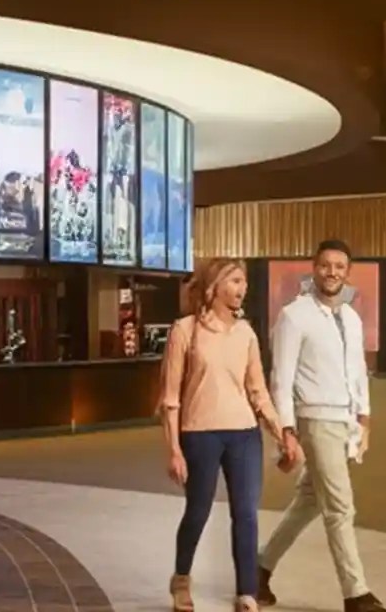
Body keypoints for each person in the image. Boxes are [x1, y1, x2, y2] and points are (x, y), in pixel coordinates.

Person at [258, 239, 386, 612]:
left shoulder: (351, 318)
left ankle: (259, 569)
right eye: (325, 265)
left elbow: (358, 373)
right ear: (313, 268)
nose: (332, 272)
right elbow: (280, 379)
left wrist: (365, 418)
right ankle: (356, 595)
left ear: (347, 272)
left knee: (309, 501)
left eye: (339, 266)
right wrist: (286, 431)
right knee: (340, 506)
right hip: (315, 420)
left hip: (346, 422)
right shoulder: (294, 315)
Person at [159, 259, 287, 612]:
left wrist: (281, 432)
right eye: (234, 281)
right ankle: (181, 579)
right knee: (197, 511)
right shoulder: (184, 331)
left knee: (246, 513)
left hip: (244, 434)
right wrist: (174, 450)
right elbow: (170, 399)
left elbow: (258, 391)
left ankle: (247, 592)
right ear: (214, 287)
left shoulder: (246, 333)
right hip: (199, 435)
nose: (241, 288)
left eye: (243, 282)